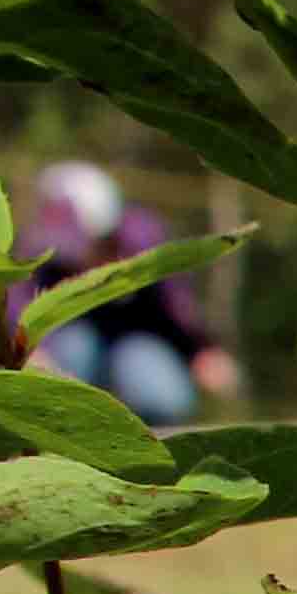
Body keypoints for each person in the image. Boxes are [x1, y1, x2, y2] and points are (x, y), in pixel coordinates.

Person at [22, 159, 220, 426]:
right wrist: (28, 350)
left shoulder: (143, 242)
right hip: (72, 350)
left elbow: (175, 303)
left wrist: (200, 350)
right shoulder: (44, 251)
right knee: (75, 346)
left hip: (135, 344)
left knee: (162, 395)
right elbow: (17, 303)